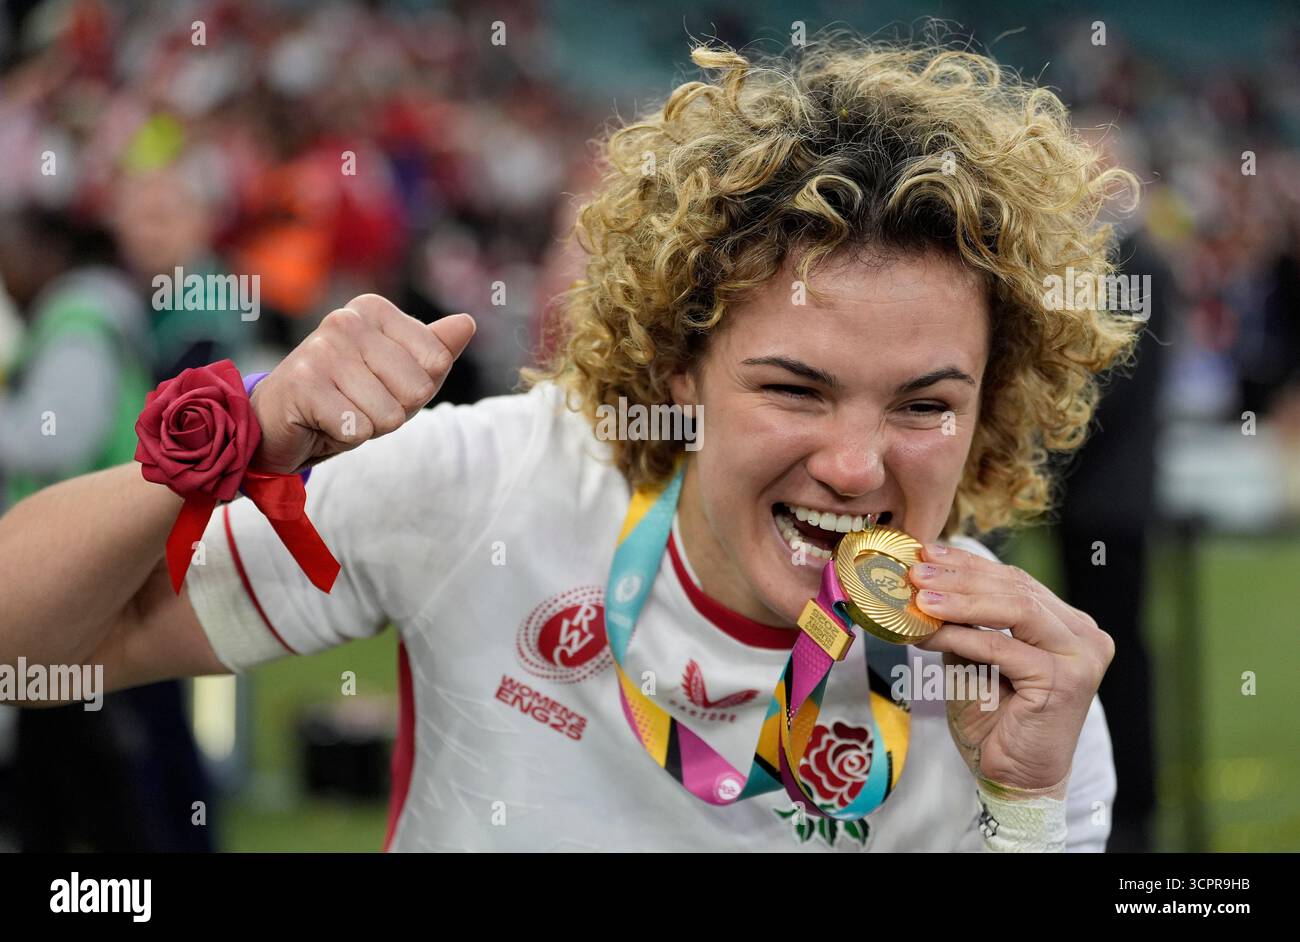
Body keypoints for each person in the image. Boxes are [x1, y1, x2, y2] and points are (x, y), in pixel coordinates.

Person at [0, 38, 1138, 852]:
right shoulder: (497, 481)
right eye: (794, 389)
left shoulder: (1017, 688)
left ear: (991, 402)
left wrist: (1026, 817)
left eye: (924, 406)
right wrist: (236, 437)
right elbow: (24, 651)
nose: (853, 465)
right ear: (678, 369)